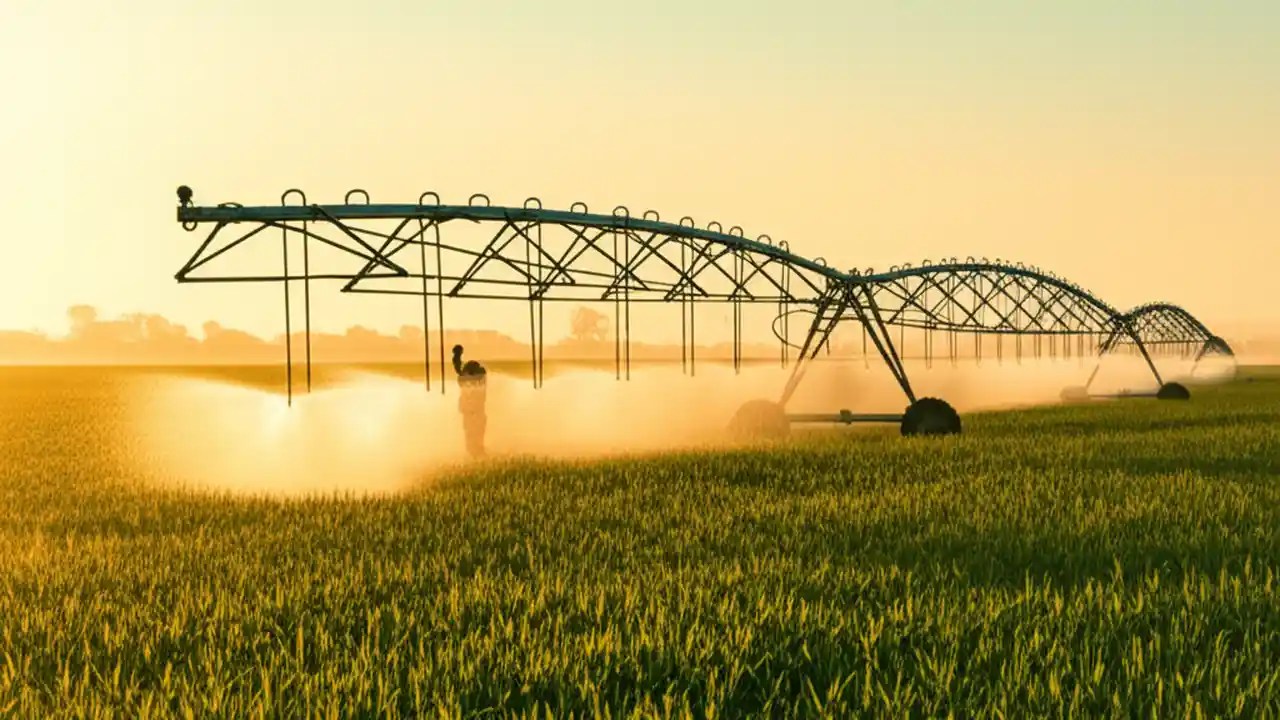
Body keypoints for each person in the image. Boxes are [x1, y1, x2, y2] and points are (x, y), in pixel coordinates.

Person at [452, 344, 488, 458]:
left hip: (473, 410)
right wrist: (457, 356)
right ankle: (475, 450)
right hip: (472, 410)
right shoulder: (479, 378)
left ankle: (476, 450)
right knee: (473, 431)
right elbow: (459, 370)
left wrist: (457, 356)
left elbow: (459, 371)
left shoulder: (472, 379)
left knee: (473, 431)